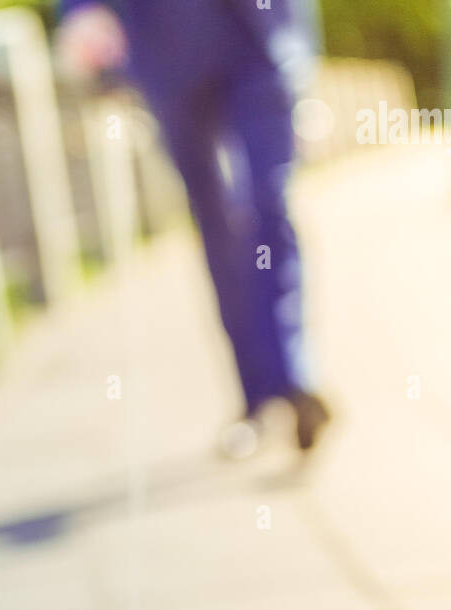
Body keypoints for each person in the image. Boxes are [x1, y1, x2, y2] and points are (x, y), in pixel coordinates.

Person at [58, 0, 331, 455]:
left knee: (269, 200)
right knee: (215, 221)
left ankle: (292, 375)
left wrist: (304, 55)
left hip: (259, 44)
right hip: (168, 53)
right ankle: (258, 395)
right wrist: (82, 13)